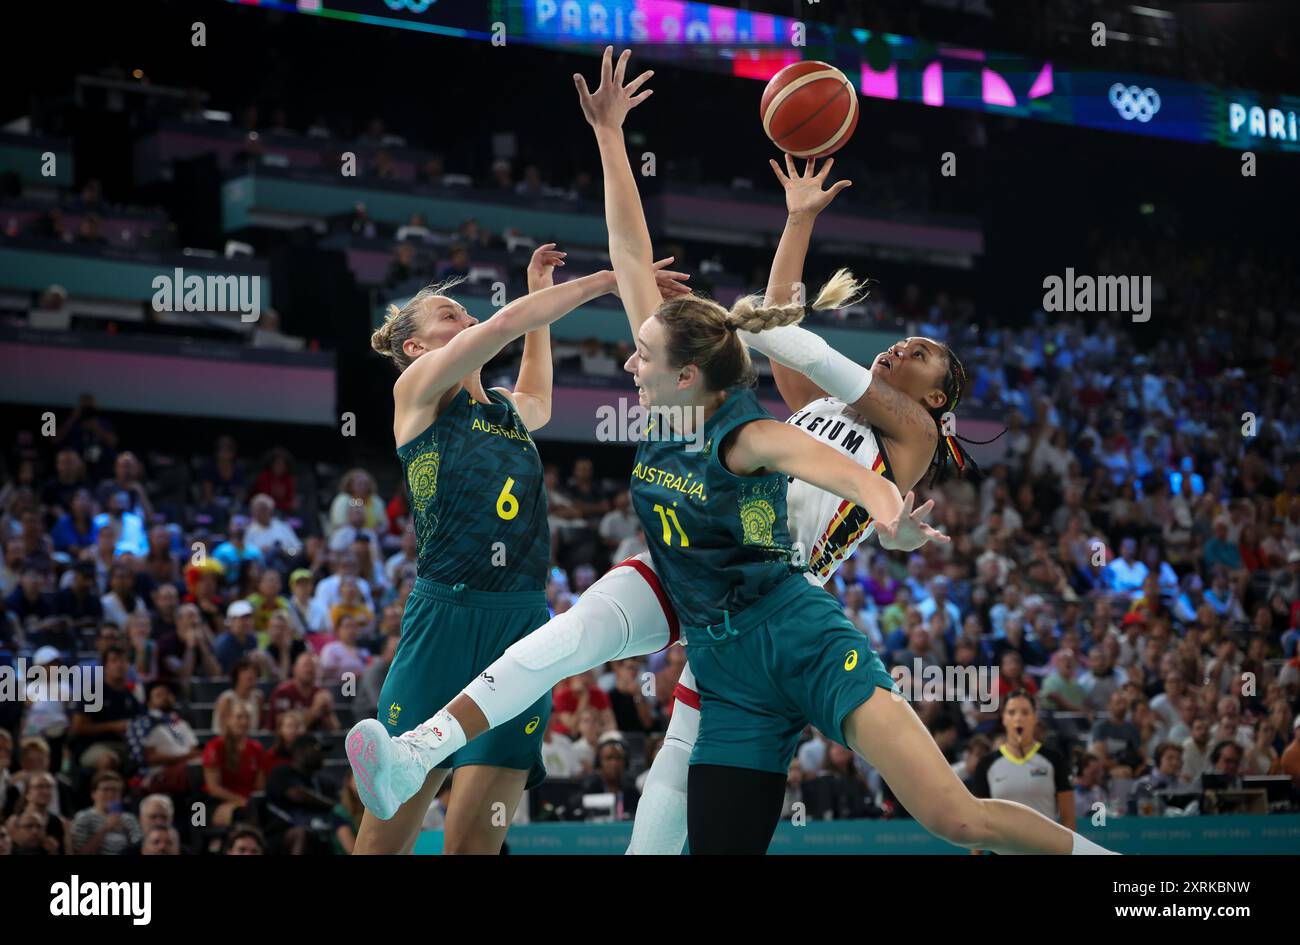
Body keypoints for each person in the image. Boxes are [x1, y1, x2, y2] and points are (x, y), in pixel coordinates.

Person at [348, 49, 1112, 857]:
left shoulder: (893, 432)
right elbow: (699, 288)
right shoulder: (771, 410)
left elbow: (810, 385)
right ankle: (415, 753)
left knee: (943, 816)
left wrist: (893, 517)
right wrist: (624, 143)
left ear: (938, 397)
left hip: (774, 599)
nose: (900, 348)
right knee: (567, 641)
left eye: (920, 349)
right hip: (696, 573)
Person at [347, 238, 637, 856]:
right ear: (415, 348)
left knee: (474, 846)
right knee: (383, 842)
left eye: (468, 315)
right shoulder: (420, 392)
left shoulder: (507, 410)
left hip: (524, 623)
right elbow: (509, 323)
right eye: (450, 317)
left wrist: (539, 293)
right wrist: (607, 281)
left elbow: (540, 394)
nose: (469, 320)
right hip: (446, 617)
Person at [970, 691, 1073, 853]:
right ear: (1004, 718)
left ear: (1035, 718)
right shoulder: (987, 764)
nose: (1018, 718)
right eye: (1011, 712)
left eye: (1025, 712)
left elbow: (1068, 819)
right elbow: (979, 822)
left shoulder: (1054, 760)